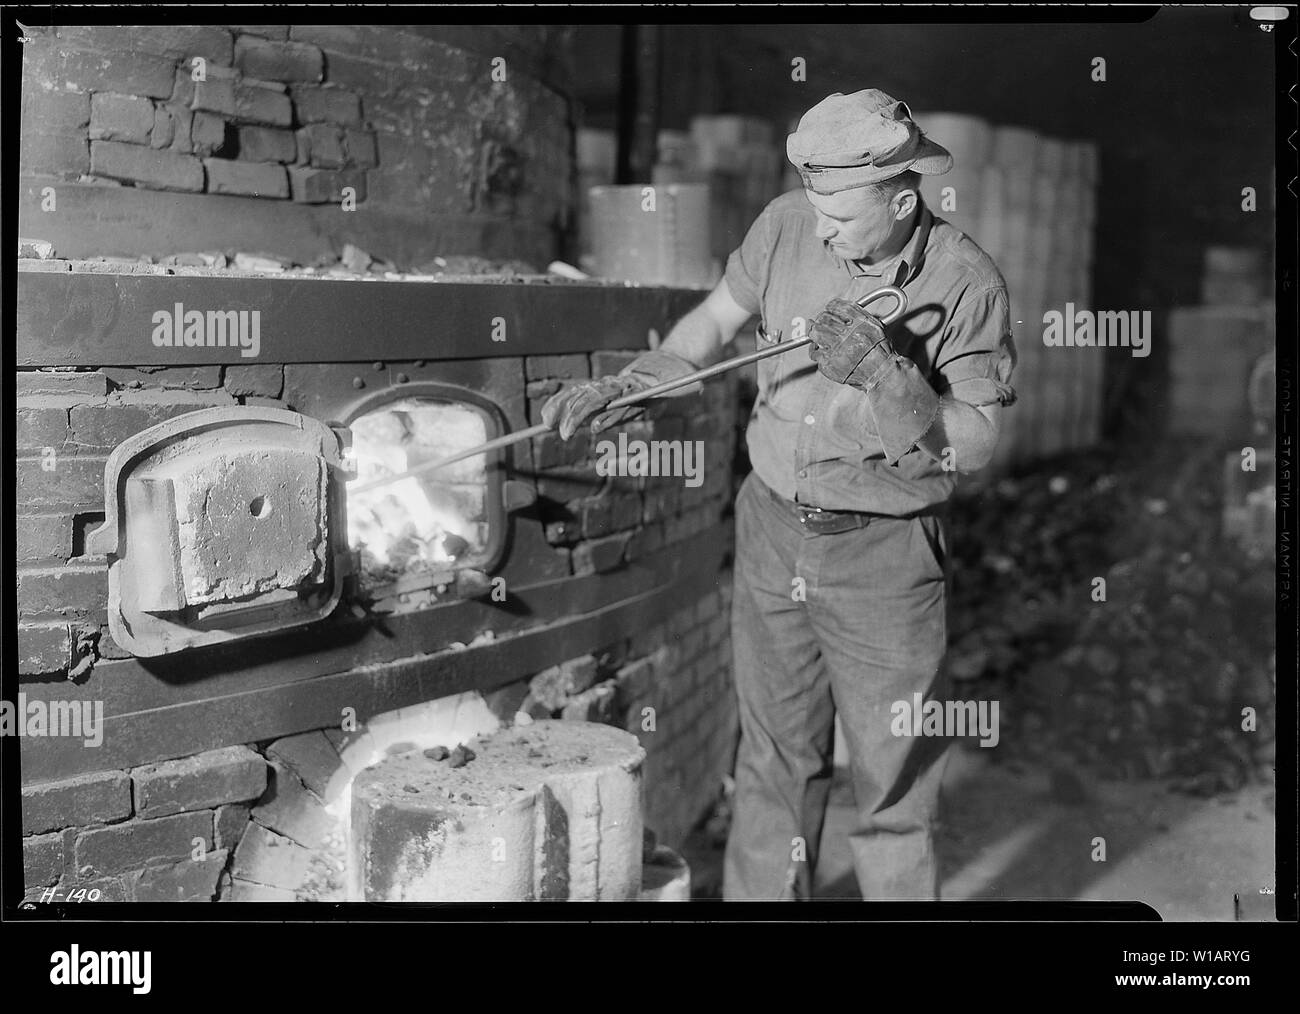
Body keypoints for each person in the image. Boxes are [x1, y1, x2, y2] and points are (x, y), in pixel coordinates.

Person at [542, 89, 1016, 900]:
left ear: (902, 200)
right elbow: (713, 321)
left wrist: (885, 376)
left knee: (892, 781)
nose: (821, 228)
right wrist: (634, 382)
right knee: (771, 761)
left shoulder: (966, 282)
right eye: (814, 203)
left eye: (840, 213)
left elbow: (975, 443)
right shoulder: (787, 224)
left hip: (884, 555)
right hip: (771, 529)